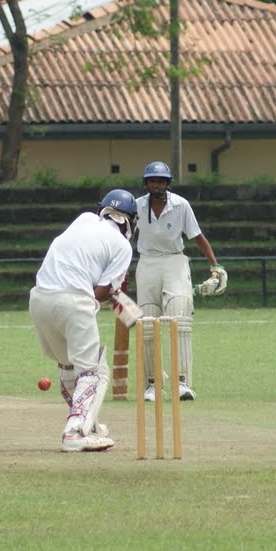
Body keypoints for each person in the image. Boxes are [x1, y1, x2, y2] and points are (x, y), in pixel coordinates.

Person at [30, 189, 139, 452]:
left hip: (39, 298)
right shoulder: (122, 245)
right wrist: (126, 306)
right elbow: (102, 292)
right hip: (73, 303)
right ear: (130, 221)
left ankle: (86, 425)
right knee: (94, 372)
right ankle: (75, 432)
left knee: (69, 365)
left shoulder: (83, 219)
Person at [133, 160, 225, 401]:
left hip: (175, 261)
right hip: (147, 262)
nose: (157, 184)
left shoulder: (181, 205)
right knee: (148, 323)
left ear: (168, 183)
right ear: (146, 183)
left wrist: (214, 265)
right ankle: (152, 385)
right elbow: (123, 236)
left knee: (180, 316)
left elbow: (197, 236)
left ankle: (182, 383)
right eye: (153, 180)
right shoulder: (137, 206)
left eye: (161, 181)